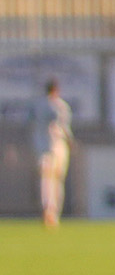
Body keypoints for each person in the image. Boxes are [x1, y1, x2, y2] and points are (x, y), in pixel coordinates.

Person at [28, 79, 73, 228]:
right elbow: (63, 126)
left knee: (46, 181)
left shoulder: (36, 105)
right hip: (57, 145)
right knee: (57, 180)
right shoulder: (59, 105)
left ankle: (48, 209)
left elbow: (31, 124)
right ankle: (53, 213)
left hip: (41, 147)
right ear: (56, 90)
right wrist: (70, 141)